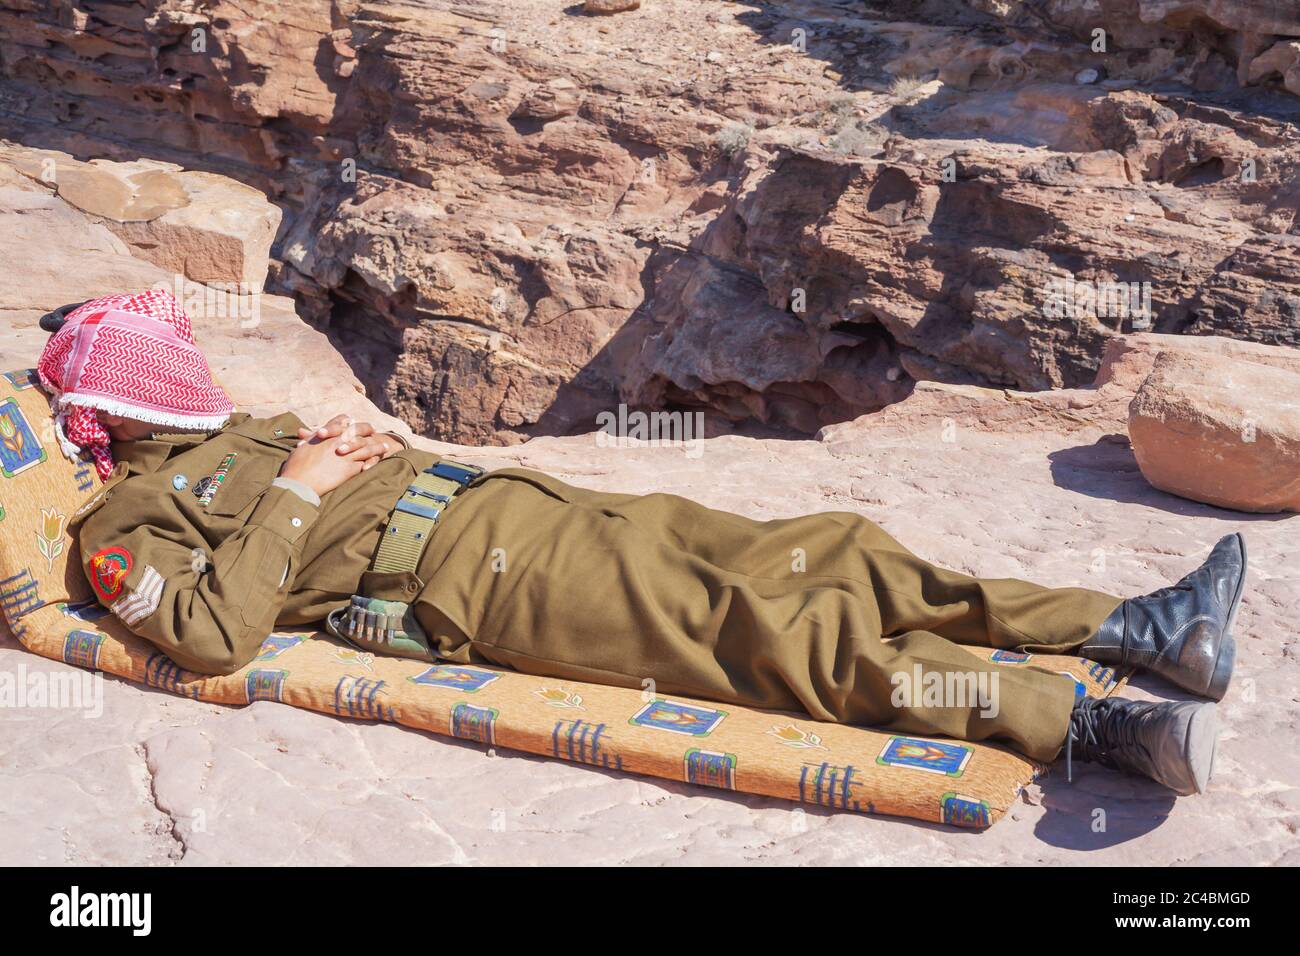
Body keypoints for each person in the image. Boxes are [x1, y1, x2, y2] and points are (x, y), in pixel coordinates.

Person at [44, 291, 1245, 797]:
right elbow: (209, 634)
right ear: (116, 410)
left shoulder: (228, 434)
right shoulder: (122, 521)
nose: (186, 365)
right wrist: (305, 489)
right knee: (780, 633)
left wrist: (339, 439)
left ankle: (1135, 629)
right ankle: (1086, 724)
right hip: (473, 585)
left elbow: (291, 477)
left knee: (832, 550)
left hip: (511, 507)